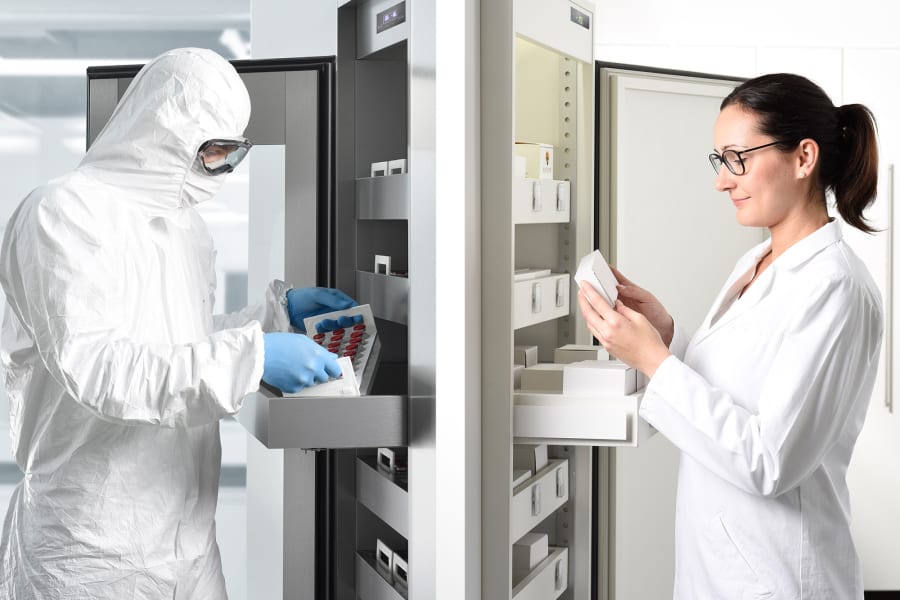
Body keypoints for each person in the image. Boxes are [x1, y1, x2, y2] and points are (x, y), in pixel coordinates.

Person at [0, 47, 355, 598]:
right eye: (213, 151)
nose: (221, 169)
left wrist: (274, 316)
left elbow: (181, 341)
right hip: (89, 552)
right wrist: (254, 358)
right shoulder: (62, 213)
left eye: (230, 154)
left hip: (188, 541)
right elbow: (101, 368)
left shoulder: (187, 228)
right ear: (164, 131)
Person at [577, 73, 883, 600]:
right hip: (719, 569)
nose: (722, 181)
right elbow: (738, 386)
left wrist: (653, 361)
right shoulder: (758, 260)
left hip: (779, 580)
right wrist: (667, 337)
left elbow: (770, 462)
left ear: (803, 157)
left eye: (737, 159)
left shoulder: (836, 287)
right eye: (720, 161)